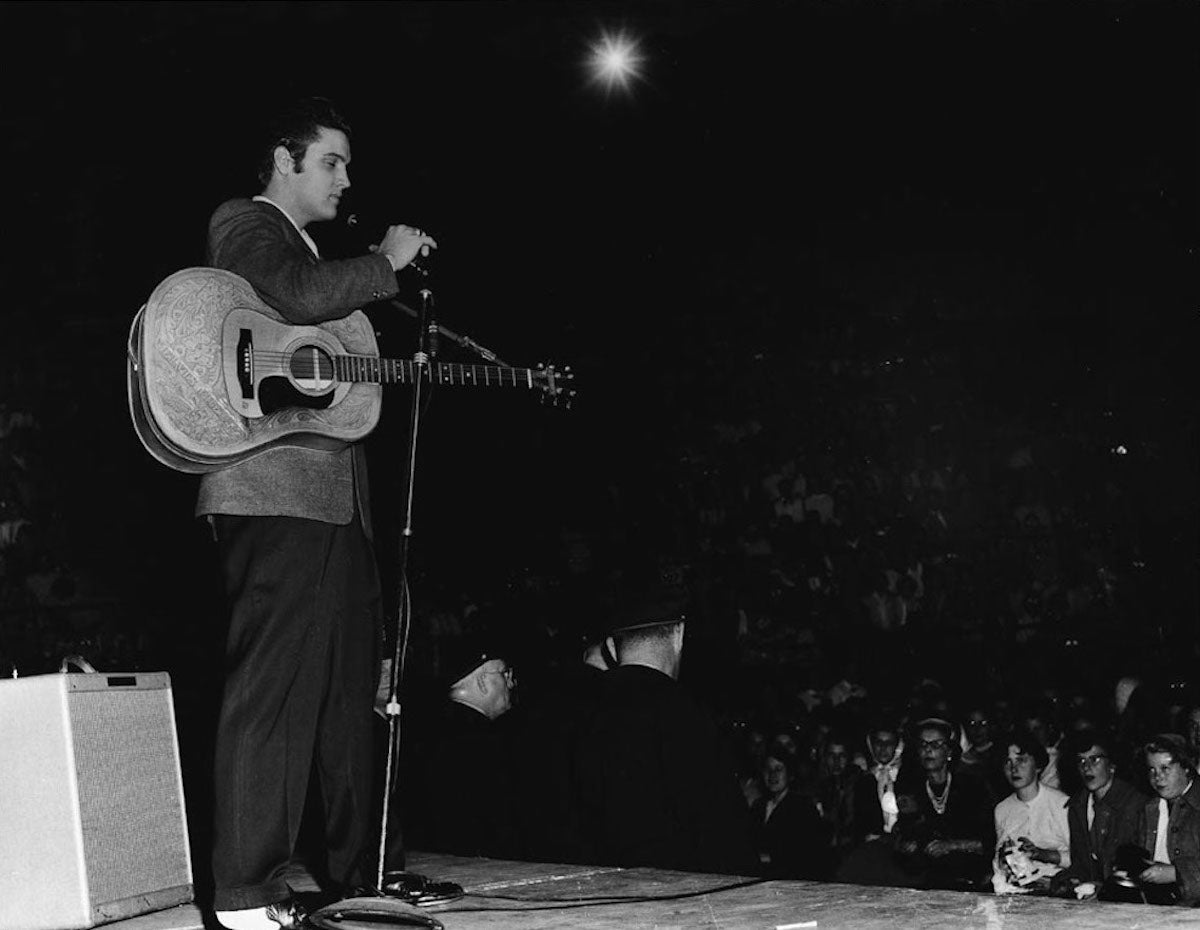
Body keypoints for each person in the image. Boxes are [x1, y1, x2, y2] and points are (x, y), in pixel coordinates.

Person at [201, 96, 436, 930]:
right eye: (331, 161)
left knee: (345, 694)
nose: (345, 177)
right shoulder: (247, 224)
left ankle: (363, 869)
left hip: (331, 503)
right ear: (283, 160)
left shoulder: (301, 246)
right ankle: (242, 889)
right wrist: (383, 261)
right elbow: (296, 295)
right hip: (273, 493)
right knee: (274, 687)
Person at [575, 588, 758, 875]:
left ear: (610, 647)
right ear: (678, 636)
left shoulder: (574, 712)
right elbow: (724, 834)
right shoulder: (690, 717)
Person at [418, 632, 520, 858]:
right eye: (505, 674)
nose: (511, 683)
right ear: (483, 681)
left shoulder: (429, 728)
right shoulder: (482, 739)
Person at [893, 718, 994, 891]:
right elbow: (905, 831)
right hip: (927, 877)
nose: (928, 749)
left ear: (948, 751)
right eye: (923, 744)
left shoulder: (972, 787)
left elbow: (989, 841)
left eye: (936, 744)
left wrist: (951, 845)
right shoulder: (911, 788)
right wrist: (905, 844)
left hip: (970, 876)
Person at [1050, 729, 1146, 899]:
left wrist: (1102, 888)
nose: (1086, 767)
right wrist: (1068, 881)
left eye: (1094, 759)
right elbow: (1081, 864)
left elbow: (1136, 869)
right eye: (1081, 761)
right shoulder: (1078, 806)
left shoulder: (1135, 804)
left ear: (1112, 765)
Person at [992, 729, 1071, 894]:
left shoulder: (1061, 804)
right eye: (1008, 762)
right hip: (1014, 892)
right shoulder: (1002, 809)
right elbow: (999, 865)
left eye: (1021, 760)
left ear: (1038, 765)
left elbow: (1081, 860)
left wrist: (1043, 854)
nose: (1014, 768)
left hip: (1056, 890)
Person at [1131, 733, 1200, 905]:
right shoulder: (1150, 808)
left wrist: (1175, 873)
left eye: (1165, 768)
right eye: (1151, 769)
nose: (1157, 777)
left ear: (1186, 768)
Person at [750, 741, 827, 879]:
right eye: (768, 769)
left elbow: (806, 853)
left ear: (790, 774)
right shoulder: (758, 806)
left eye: (778, 769)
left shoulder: (803, 807)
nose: (772, 775)